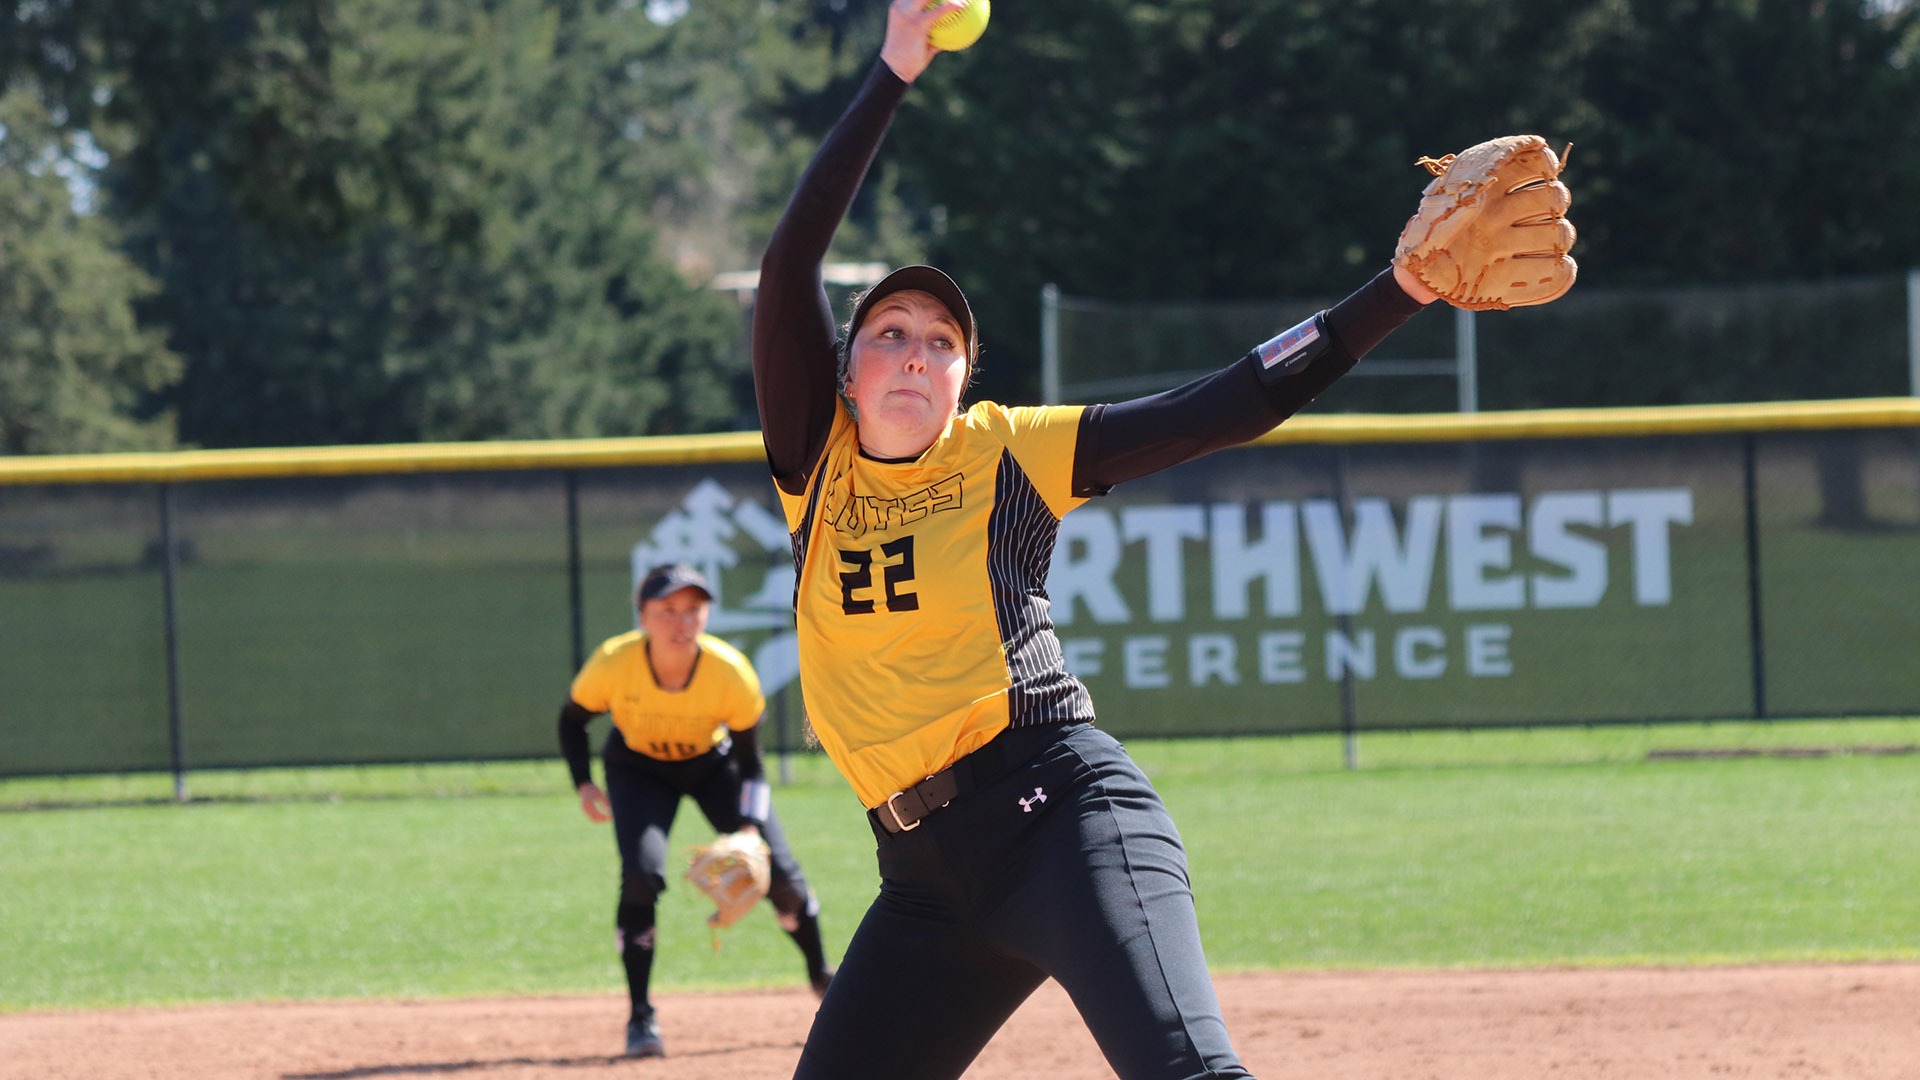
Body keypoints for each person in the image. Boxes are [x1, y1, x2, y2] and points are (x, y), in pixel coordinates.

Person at [746, 2, 1500, 1077]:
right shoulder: (814, 469)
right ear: (846, 372)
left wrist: (1402, 289)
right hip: (920, 883)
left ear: (966, 381)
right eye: (889, 336)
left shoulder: (1008, 453)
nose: (916, 356)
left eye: (943, 344)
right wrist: (894, 68)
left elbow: (1223, 403)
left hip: (1062, 820)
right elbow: (791, 263)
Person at [557, 563, 834, 1059]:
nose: (682, 622)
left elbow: (751, 763)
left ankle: (823, 982)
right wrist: (583, 783)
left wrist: (749, 827)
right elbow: (573, 719)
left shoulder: (729, 670)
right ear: (642, 615)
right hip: (637, 768)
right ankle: (641, 1017)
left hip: (714, 766)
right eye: (667, 611)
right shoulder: (615, 661)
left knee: (780, 876)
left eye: (693, 609)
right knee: (641, 878)